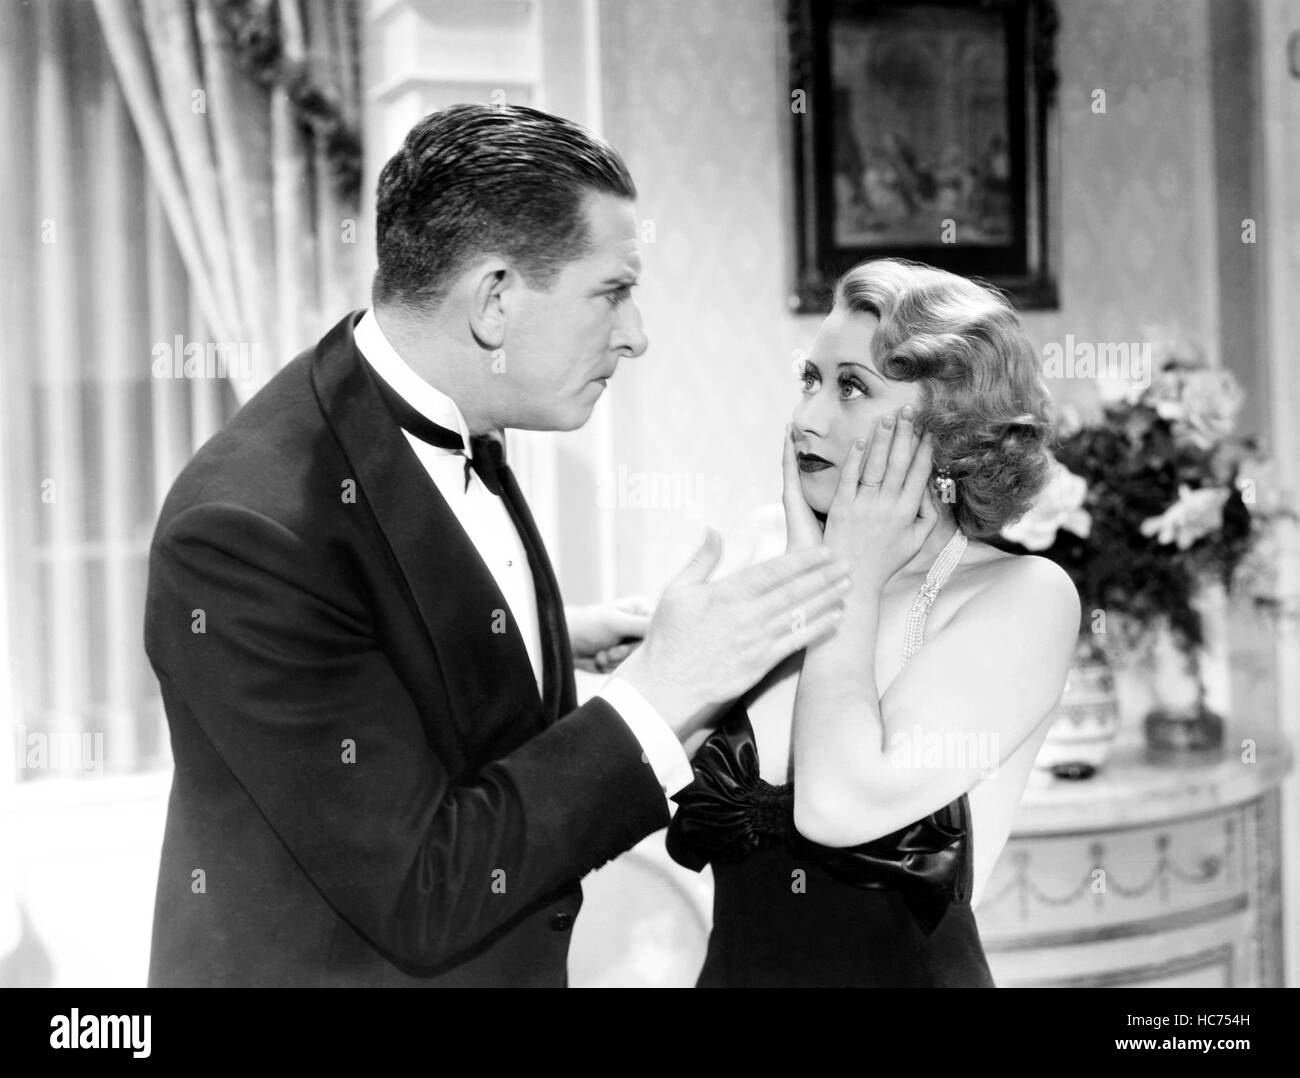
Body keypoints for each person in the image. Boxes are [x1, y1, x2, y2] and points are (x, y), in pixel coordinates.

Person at [143, 104, 853, 987]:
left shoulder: (449, 413)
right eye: (612, 291)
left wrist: (554, 642)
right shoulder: (248, 534)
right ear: (494, 301)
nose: (637, 335)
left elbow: (402, 649)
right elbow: (425, 888)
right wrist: (663, 686)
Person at [666, 259, 1081, 987]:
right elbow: (655, 753)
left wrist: (835, 577)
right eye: (809, 380)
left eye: (852, 386)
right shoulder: (773, 543)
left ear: (948, 423)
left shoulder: (1025, 595)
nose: (806, 419)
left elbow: (834, 806)